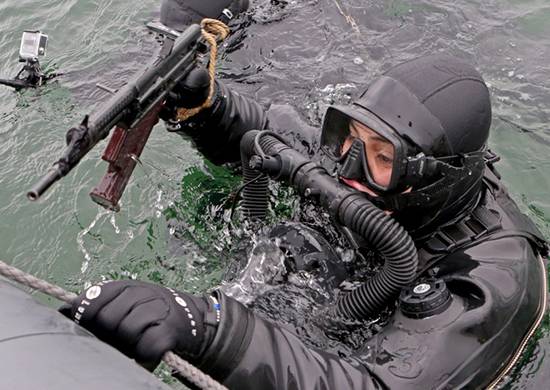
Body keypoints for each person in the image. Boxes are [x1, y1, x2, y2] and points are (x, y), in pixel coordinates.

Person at [61, 2, 548, 389]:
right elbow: (279, 134)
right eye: (349, 137)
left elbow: (373, 383)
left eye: (380, 157)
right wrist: (205, 103)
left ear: (430, 175)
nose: (349, 166)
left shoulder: (493, 282)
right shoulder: (372, 165)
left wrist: (208, 328)